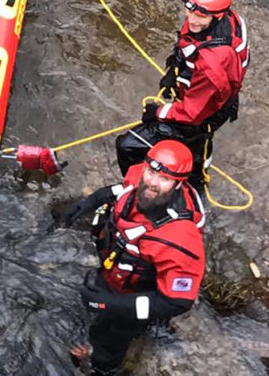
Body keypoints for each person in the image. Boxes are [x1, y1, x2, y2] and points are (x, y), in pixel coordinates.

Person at [58, 140, 205, 375]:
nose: (152, 183)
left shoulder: (180, 240)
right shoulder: (141, 175)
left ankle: (104, 368)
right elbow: (124, 188)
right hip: (116, 270)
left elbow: (177, 301)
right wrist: (91, 201)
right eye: (151, 172)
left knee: (109, 343)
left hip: (136, 294)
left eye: (164, 179)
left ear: (178, 185)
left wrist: (112, 304)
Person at [116, 0, 249, 190]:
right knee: (196, 146)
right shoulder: (228, 20)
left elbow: (192, 113)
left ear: (217, 15)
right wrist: (174, 70)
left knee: (128, 146)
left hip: (204, 111)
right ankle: (193, 173)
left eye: (200, 16)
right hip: (209, 97)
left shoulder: (212, 62)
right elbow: (191, 42)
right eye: (190, 12)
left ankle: (152, 190)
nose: (193, 20)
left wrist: (159, 112)